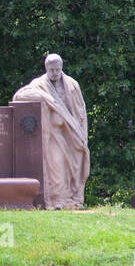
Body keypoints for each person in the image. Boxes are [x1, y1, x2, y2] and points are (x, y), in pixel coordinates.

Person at [11, 53, 90, 209]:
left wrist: (81, 133)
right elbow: (19, 96)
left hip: (71, 134)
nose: (55, 73)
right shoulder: (39, 84)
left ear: (62, 68)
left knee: (74, 168)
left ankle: (72, 199)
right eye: (52, 69)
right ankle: (57, 201)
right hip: (53, 135)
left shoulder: (72, 85)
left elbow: (81, 111)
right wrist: (45, 98)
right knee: (57, 166)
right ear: (46, 68)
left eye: (57, 69)